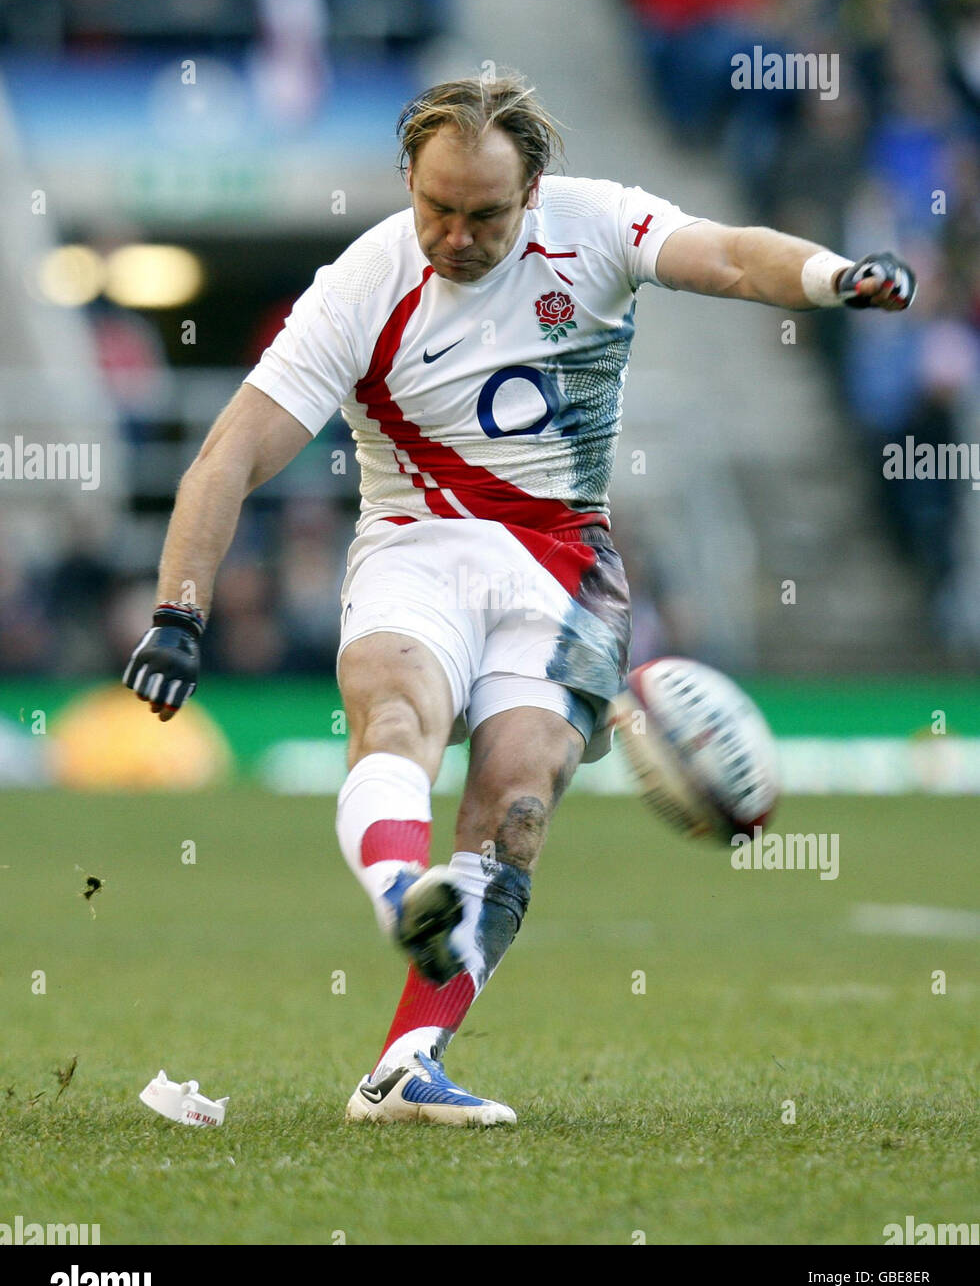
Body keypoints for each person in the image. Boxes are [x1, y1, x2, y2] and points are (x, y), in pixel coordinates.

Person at [123, 74, 916, 1126]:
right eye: (434, 208)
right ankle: (407, 896)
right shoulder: (363, 282)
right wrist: (179, 613)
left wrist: (831, 277)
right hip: (416, 548)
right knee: (396, 714)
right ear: (406, 177)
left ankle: (405, 1064)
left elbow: (726, 255)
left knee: (517, 802)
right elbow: (228, 452)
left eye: (483, 214)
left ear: (532, 188)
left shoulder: (596, 225)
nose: (453, 236)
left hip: (560, 567)